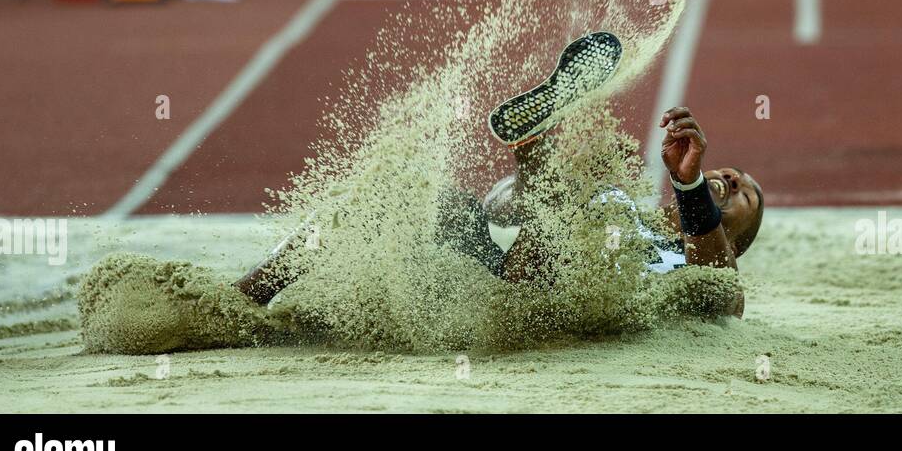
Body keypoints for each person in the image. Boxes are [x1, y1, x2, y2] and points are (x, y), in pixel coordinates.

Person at [235, 32, 764, 316]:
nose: (734, 179)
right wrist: (521, 192)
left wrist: (690, 184)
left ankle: (536, 143)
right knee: (420, 199)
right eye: (733, 172)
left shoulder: (708, 282)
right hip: (495, 280)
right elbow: (502, 209)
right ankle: (243, 298)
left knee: (576, 235)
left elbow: (720, 290)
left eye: (747, 197)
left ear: (736, 242)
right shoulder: (620, 201)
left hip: (554, 309)